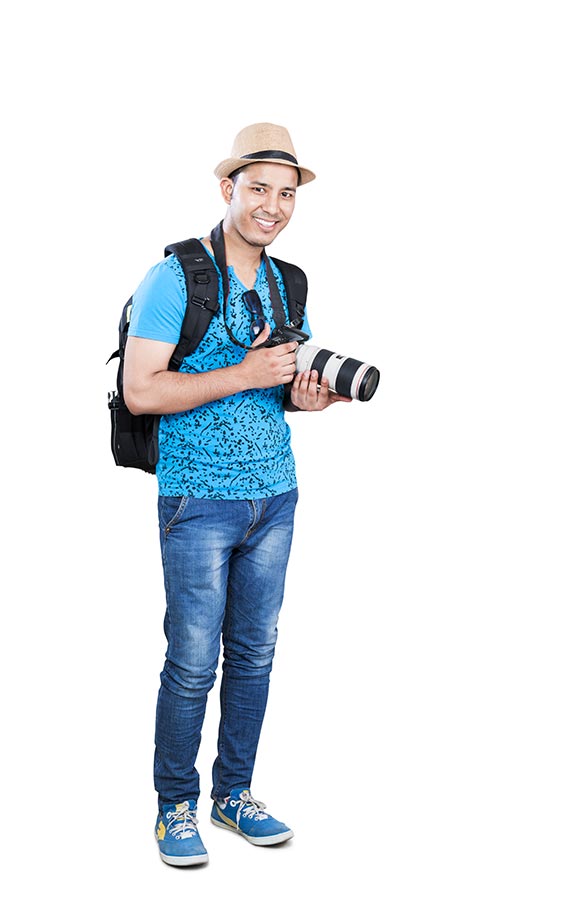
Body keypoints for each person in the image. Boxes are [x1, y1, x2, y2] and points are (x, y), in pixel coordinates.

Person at [123, 123, 351, 867]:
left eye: (286, 195)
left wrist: (309, 398)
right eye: (259, 190)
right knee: (193, 659)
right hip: (197, 499)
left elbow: (281, 384)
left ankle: (234, 794)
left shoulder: (291, 282)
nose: (273, 207)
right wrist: (244, 375)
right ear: (228, 189)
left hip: (275, 496)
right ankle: (174, 806)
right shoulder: (176, 278)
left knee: (254, 654)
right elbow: (140, 390)